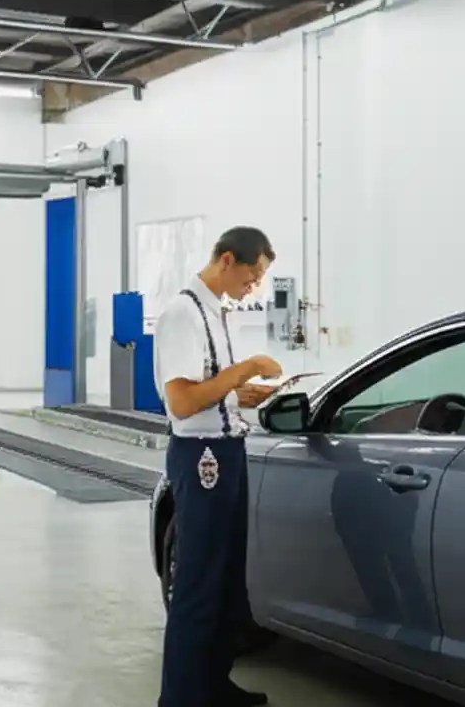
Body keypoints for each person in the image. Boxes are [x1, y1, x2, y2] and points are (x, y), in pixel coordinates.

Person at [153, 226, 283, 707]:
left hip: (227, 450)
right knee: (198, 584)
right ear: (227, 260)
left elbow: (207, 386)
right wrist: (245, 369)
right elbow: (182, 400)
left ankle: (212, 684)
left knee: (227, 583)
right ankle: (183, 697)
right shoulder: (182, 314)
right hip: (201, 456)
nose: (255, 286)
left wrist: (236, 393)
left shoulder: (216, 312)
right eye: (253, 275)